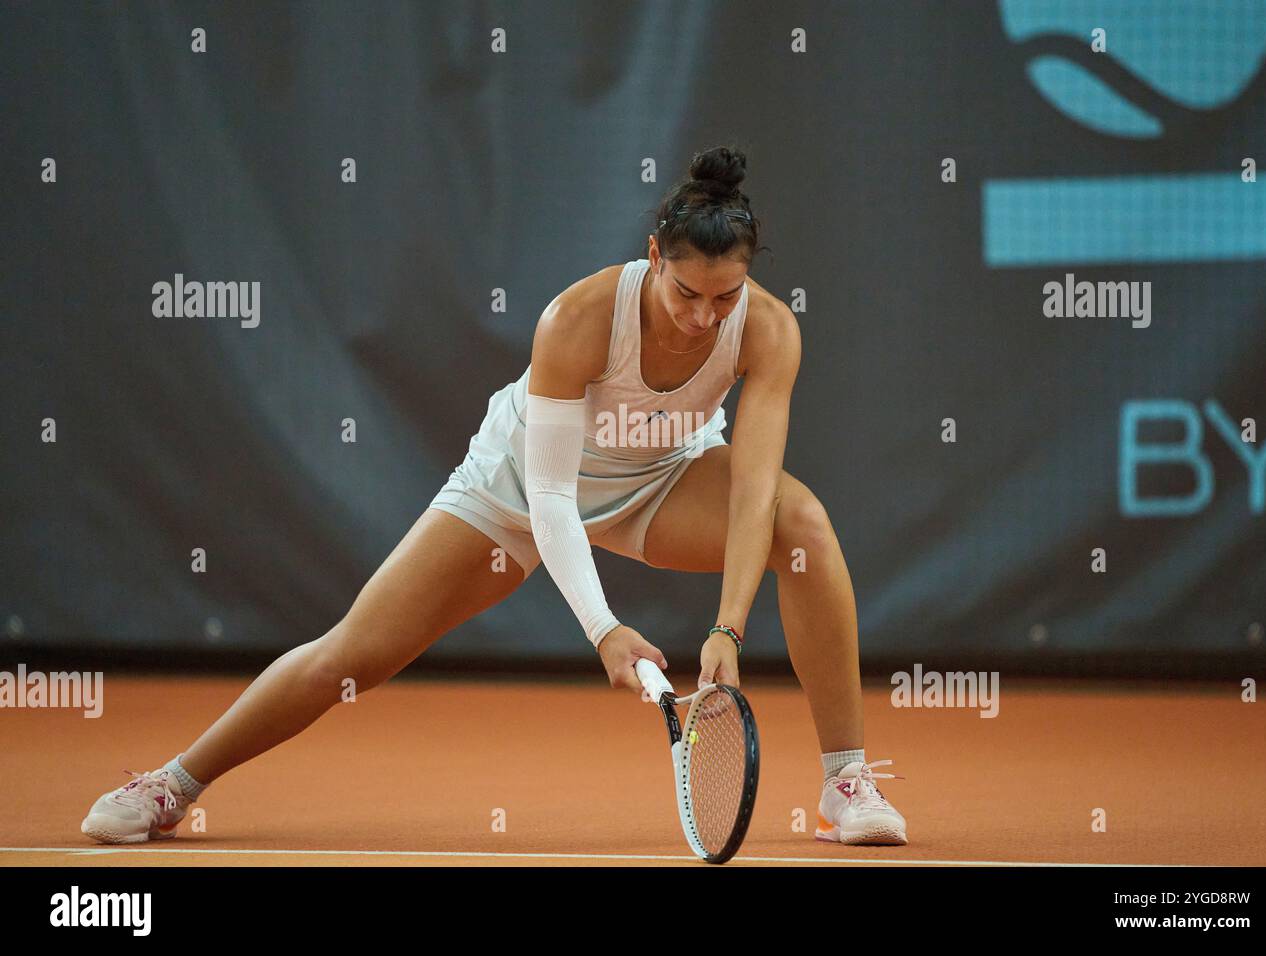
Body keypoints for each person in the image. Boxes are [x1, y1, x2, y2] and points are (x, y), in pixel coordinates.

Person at [81, 145, 906, 848]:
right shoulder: (577, 319)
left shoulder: (767, 331)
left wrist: (728, 627)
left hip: (663, 483)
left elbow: (755, 491)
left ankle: (847, 785)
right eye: (686, 293)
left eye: (723, 298)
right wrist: (606, 630)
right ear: (654, 257)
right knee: (350, 658)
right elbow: (549, 494)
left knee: (803, 525)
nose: (703, 317)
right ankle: (172, 784)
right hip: (516, 491)